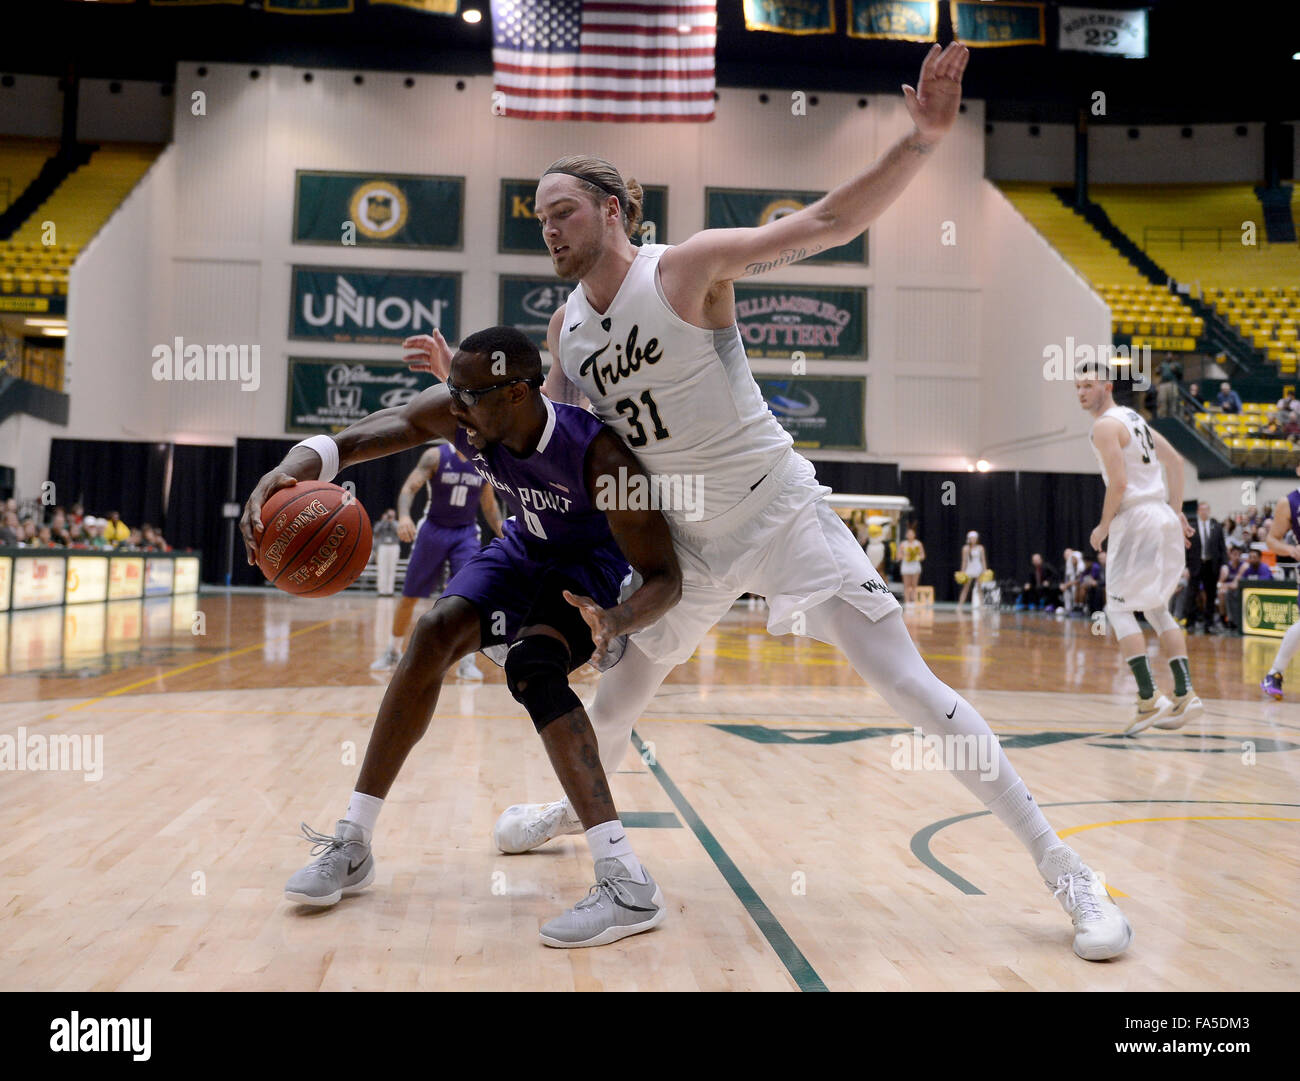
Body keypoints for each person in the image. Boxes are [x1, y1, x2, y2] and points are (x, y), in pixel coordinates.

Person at [418, 43, 1134, 962]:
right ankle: (573, 808)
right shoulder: (568, 328)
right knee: (623, 694)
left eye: (562, 212)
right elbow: (555, 429)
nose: (548, 229)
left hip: (781, 514)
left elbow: (829, 222)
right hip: (687, 544)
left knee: (915, 691)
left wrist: (921, 143)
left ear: (611, 209)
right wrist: (471, 393)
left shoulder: (686, 269)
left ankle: (1069, 876)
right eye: (539, 218)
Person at [241, 325, 683, 947]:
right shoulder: (463, 417)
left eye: (469, 395)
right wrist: (283, 473)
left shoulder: (599, 458)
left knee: (532, 666)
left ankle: (625, 881)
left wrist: (617, 621)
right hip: (521, 551)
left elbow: (667, 577)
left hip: (586, 571)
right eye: (453, 390)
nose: (454, 405)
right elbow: (369, 432)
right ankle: (354, 840)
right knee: (432, 633)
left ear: (519, 395)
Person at [1077, 362, 1202, 734]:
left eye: (1088, 384)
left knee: (1117, 608)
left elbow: (1118, 484)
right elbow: (1176, 462)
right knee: (1156, 607)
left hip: (1136, 518)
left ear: (1107, 386)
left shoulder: (1104, 426)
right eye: (1077, 386)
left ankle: (1149, 699)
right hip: (1160, 515)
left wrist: (1102, 526)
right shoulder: (1134, 418)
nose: (1082, 392)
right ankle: (1185, 694)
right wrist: (1176, 513)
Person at [370, 442, 503, 679]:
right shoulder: (435, 456)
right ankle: (392, 650)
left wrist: (505, 535)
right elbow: (410, 488)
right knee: (410, 595)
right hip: (433, 530)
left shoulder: (483, 461)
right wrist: (403, 517)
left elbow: (490, 506)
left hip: (465, 533)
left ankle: (467, 661)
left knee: (469, 599)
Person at [1260, 463, 1300, 698]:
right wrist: (1292, 550)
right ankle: (1274, 673)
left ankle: (1275, 673)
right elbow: (1272, 540)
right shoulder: (1289, 502)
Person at [1185, 501, 1227, 633]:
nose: (1204, 512)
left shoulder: (1217, 526)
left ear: (1209, 511)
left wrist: (1224, 565)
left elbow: (1222, 548)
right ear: (1198, 511)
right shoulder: (1190, 526)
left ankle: (1208, 624)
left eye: (1206, 510)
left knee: (1211, 595)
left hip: (1211, 565)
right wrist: (1184, 567)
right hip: (1195, 565)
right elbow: (1185, 548)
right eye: (1202, 510)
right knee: (1192, 594)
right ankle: (1190, 623)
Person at [372, 509, 401, 598]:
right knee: (382, 568)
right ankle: (382, 591)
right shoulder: (381, 523)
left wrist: (391, 522)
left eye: (392, 515)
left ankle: (390, 591)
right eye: (389, 515)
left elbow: (398, 531)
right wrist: (384, 521)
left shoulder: (397, 523)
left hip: (393, 546)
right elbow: (376, 530)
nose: (390, 516)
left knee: (392, 569)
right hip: (383, 546)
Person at [957, 530, 987, 609]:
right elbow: (964, 561)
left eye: (975, 538)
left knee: (980, 588)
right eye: (972, 538)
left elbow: (983, 560)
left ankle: (981, 605)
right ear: (969, 539)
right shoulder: (965, 548)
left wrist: (985, 570)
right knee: (965, 588)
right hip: (969, 570)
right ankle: (960, 605)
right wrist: (962, 572)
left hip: (978, 569)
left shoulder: (980, 548)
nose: (973, 540)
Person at [898, 526, 925, 605]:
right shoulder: (903, 544)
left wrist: (916, 557)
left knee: (914, 584)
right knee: (906, 585)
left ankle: (913, 601)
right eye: (908, 534)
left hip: (915, 565)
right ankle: (907, 602)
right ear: (906, 535)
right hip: (906, 566)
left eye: (911, 534)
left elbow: (922, 556)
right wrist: (906, 557)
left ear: (914, 535)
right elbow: (899, 556)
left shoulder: (918, 544)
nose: (910, 535)